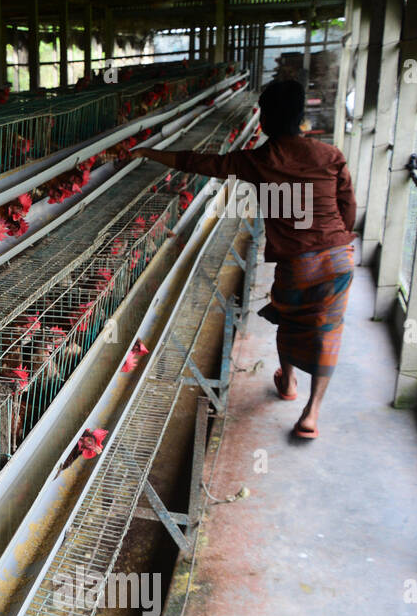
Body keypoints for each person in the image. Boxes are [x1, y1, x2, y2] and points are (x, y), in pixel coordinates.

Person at [132, 79, 356, 440]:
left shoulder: (260, 159)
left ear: (265, 120)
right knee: (328, 330)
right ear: (300, 118)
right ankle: (311, 413)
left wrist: (149, 152)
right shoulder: (329, 155)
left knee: (289, 320)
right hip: (338, 257)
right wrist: (336, 242)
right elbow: (348, 208)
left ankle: (288, 382)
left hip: (298, 262)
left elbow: (200, 162)